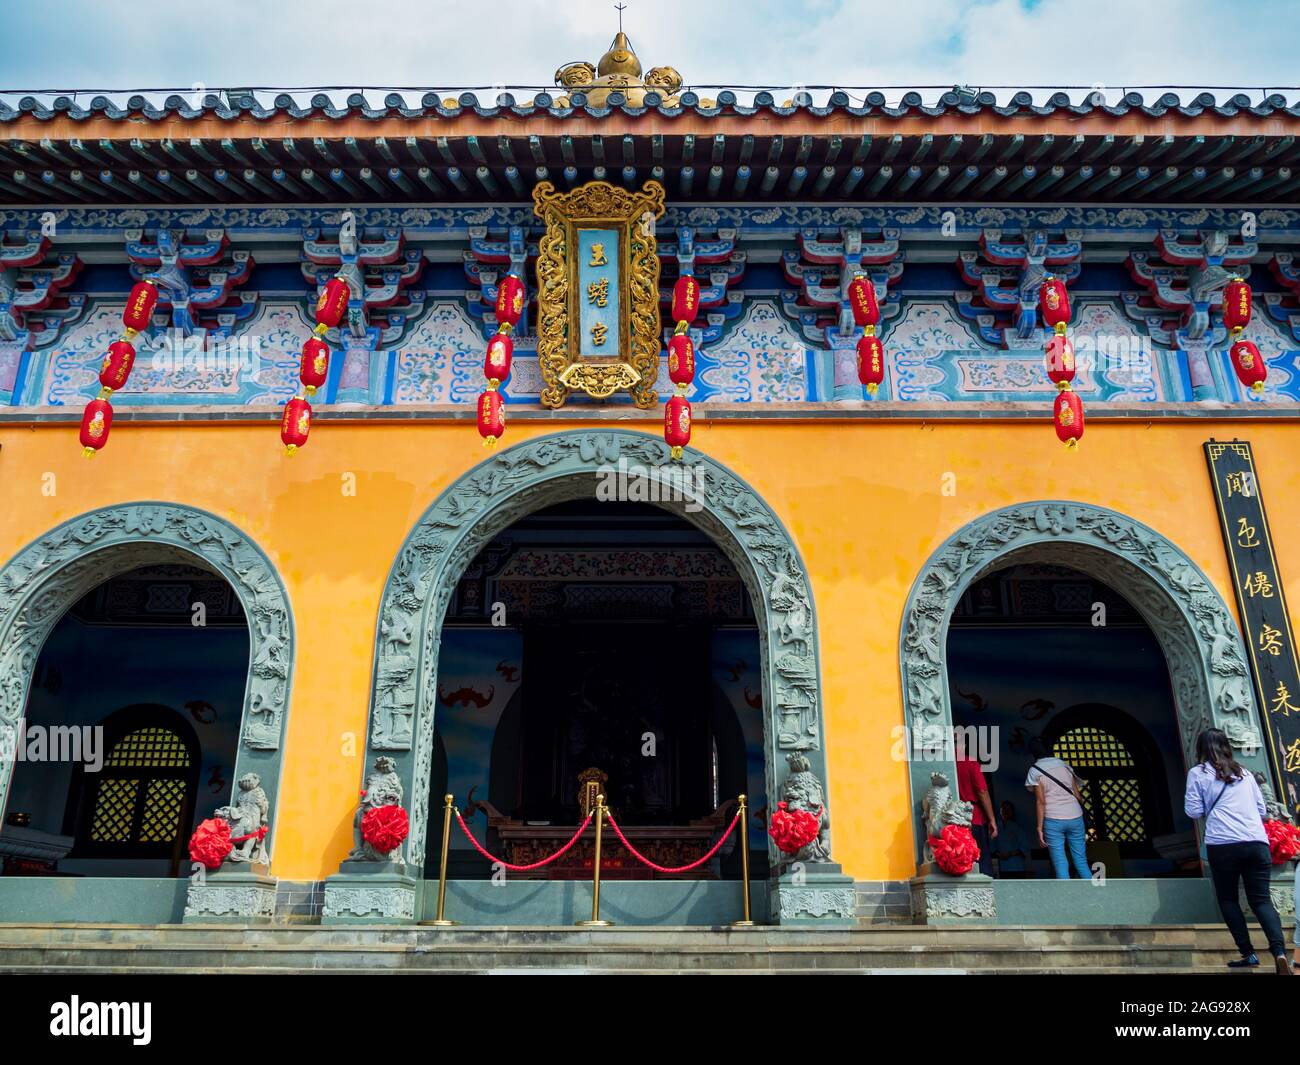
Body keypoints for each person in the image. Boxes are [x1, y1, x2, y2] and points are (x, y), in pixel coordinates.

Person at [1184, 728, 1292, 975]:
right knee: (1261, 900)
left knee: (1228, 898)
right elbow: (1262, 809)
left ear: (1200, 749)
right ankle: (1279, 952)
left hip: (1223, 844)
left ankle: (1248, 953)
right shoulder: (1244, 772)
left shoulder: (1198, 773)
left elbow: (1192, 811)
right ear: (1226, 746)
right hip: (1256, 842)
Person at [1025, 736, 1091, 880]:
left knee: (1060, 862)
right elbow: (1078, 794)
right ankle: (1093, 895)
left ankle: (1067, 898)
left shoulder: (1035, 771)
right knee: (1081, 860)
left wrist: (1039, 828)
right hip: (1075, 816)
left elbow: (1040, 802)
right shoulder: (1063, 765)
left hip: (1053, 819)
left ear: (1033, 753)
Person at [954, 734, 997, 875]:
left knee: (959, 857)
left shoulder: (947, 764)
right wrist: (992, 819)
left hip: (952, 818)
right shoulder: (970, 763)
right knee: (981, 857)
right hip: (974, 817)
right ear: (963, 746)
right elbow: (982, 791)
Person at [992, 799, 1031, 878]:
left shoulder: (1018, 828)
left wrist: (1009, 854)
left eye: (1008, 809)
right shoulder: (996, 828)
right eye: (1003, 809)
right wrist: (999, 854)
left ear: (1012, 811)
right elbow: (992, 847)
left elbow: (1024, 849)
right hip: (1001, 867)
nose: (1006, 811)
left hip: (1016, 867)